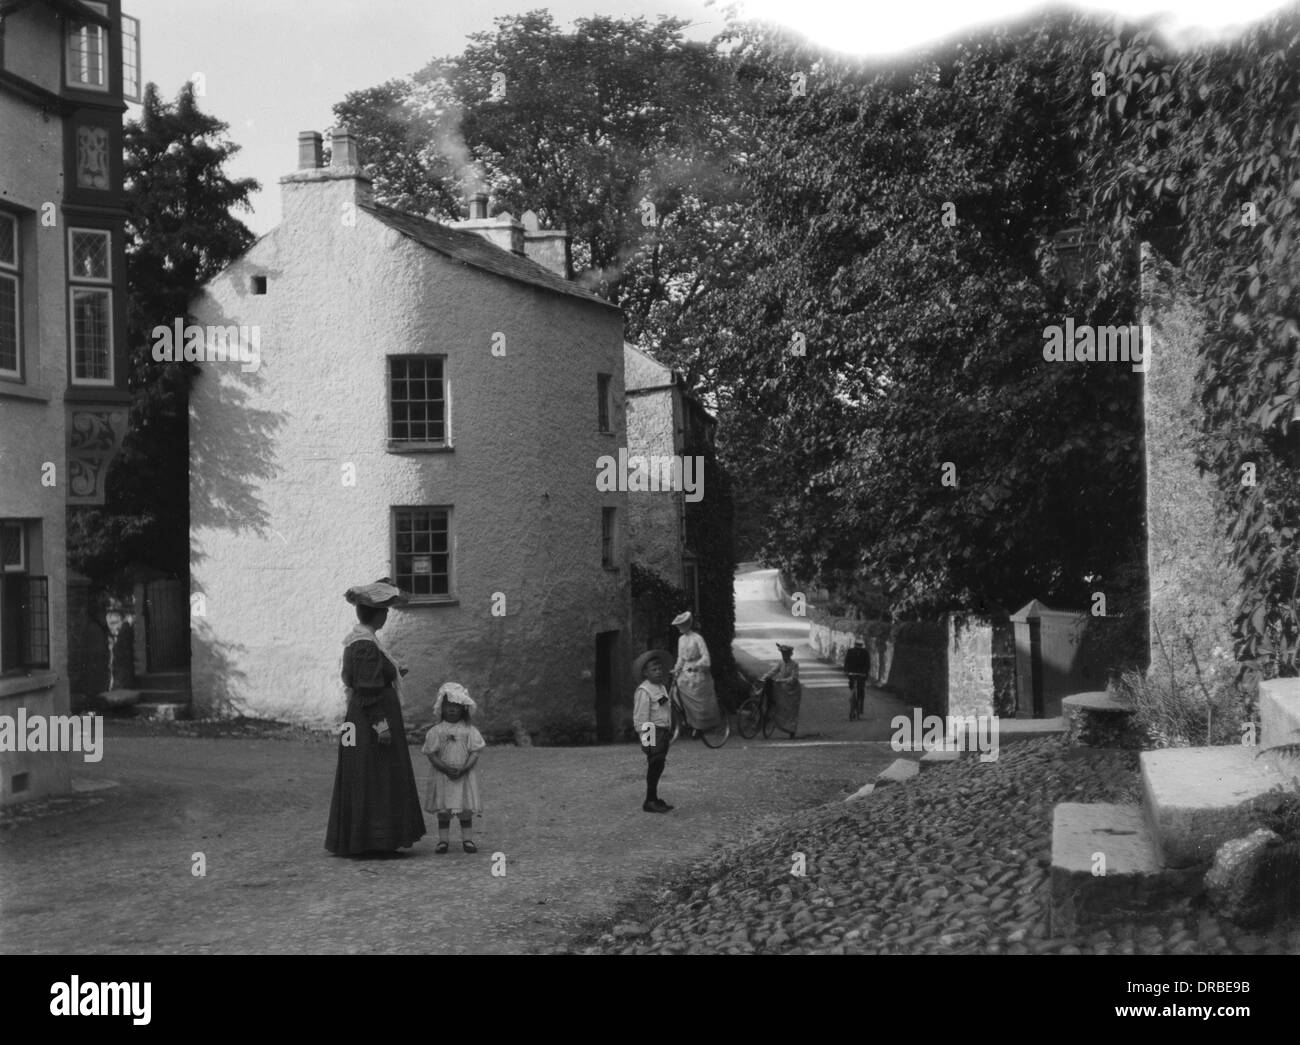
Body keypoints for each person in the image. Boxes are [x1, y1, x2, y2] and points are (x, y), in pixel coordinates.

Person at [325, 580, 426, 855]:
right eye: (385, 611)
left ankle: (361, 838)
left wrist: (392, 672)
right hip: (369, 720)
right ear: (377, 614)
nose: (387, 615)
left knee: (361, 771)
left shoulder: (360, 640)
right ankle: (375, 841)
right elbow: (368, 690)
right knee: (376, 773)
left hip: (358, 718)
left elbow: (360, 678)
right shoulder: (365, 645)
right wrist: (381, 726)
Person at [421, 683, 486, 853]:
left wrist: (465, 768)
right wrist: (444, 768)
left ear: (463, 708)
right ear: (441, 708)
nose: (452, 710)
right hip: (443, 775)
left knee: (465, 809)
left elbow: (475, 752)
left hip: (464, 775)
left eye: (456, 706)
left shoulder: (469, 731)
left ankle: (467, 839)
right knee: (444, 810)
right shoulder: (436, 731)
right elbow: (431, 754)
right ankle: (443, 841)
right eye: (448, 706)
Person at [632, 649, 675, 814]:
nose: (658, 672)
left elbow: (665, 710)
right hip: (653, 732)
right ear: (645, 673)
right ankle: (649, 801)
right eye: (653, 669)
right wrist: (647, 741)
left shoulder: (661, 688)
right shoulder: (644, 691)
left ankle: (654, 798)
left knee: (659, 765)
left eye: (660, 669)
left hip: (663, 733)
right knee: (654, 765)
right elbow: (641, 718)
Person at [670, 610, 722, 731]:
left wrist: (697, 665)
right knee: (677, 692)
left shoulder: (697, 638)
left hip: (697, 671)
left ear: (687, 625)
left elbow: (705, 656)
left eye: (681, 625)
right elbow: (681, 657)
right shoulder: (681, 639)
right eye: (678, 625)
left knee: (698, 697)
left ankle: (699, 726)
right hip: (685, 670)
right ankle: (687, 720)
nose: (679, 627)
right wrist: (676, 668)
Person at [762, 643, 802, 738]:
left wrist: (782, 680)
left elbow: (794, 678)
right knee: (779, 706)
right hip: (783, 688)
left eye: (786, 654)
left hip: (793, 690)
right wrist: (764, 678)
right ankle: (779, 724)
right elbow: (773, 671)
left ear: (790, 654)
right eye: (783, 654)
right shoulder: (780, 663)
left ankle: (792, 730)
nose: (784, 656)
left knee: (792, 710)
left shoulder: (794, 664)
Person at [844, 637, 872, 721]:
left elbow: (867, 664)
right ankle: (854, 704)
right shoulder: (851, 651)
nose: (858, 647)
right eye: (857, 645)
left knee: (859, 690)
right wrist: (846, 671)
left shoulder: (864, 652)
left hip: (859, 674)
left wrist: (864, 672)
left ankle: (859, 706)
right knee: (854, 688)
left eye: (859, 645)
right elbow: (846, 662)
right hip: (854, 674)